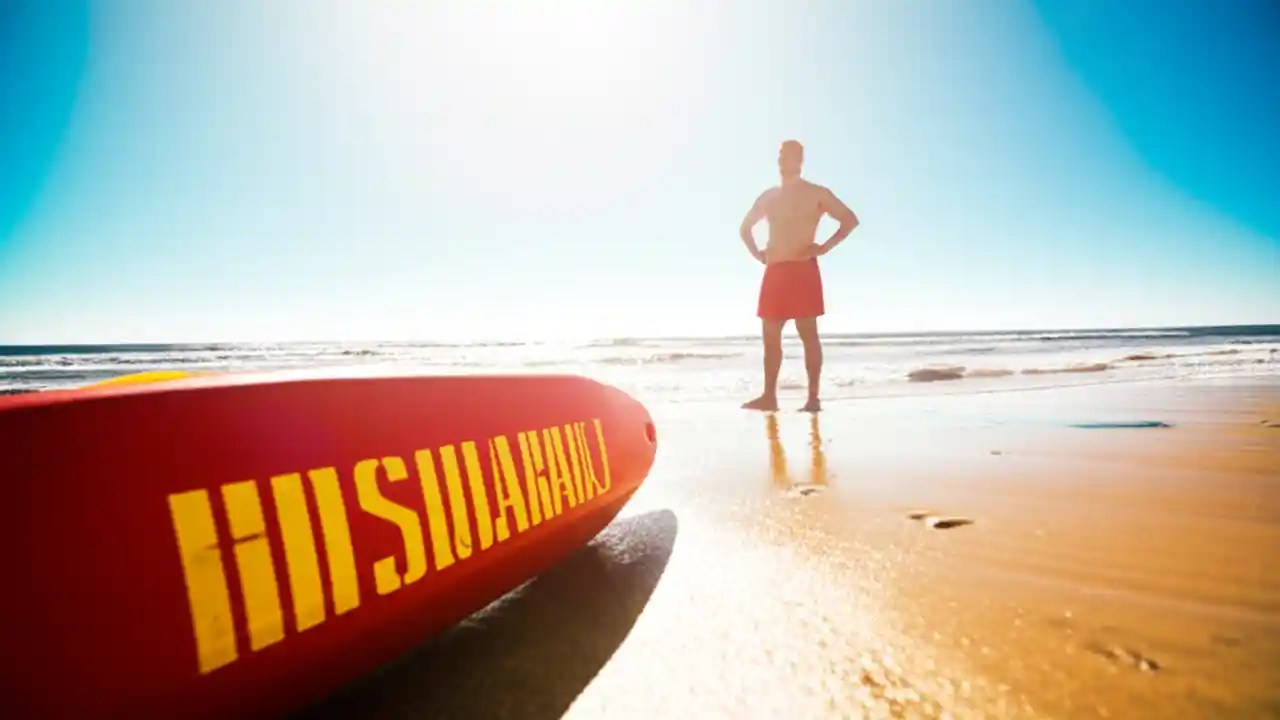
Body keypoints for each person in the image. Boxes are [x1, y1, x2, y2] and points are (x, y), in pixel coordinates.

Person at [739, 140, 859, 412]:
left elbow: (849, 219)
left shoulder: (816, 193)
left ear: (800, 160)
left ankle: (813, 399)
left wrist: (823, 248)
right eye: (780, 155)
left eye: (789, 155)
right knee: (770, 337)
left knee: (808, 335)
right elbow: (745, 227)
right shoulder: (770, 196)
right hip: (775, 271)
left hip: (803, 269)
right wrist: (757, 254)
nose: (783, 160)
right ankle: (769, 397)